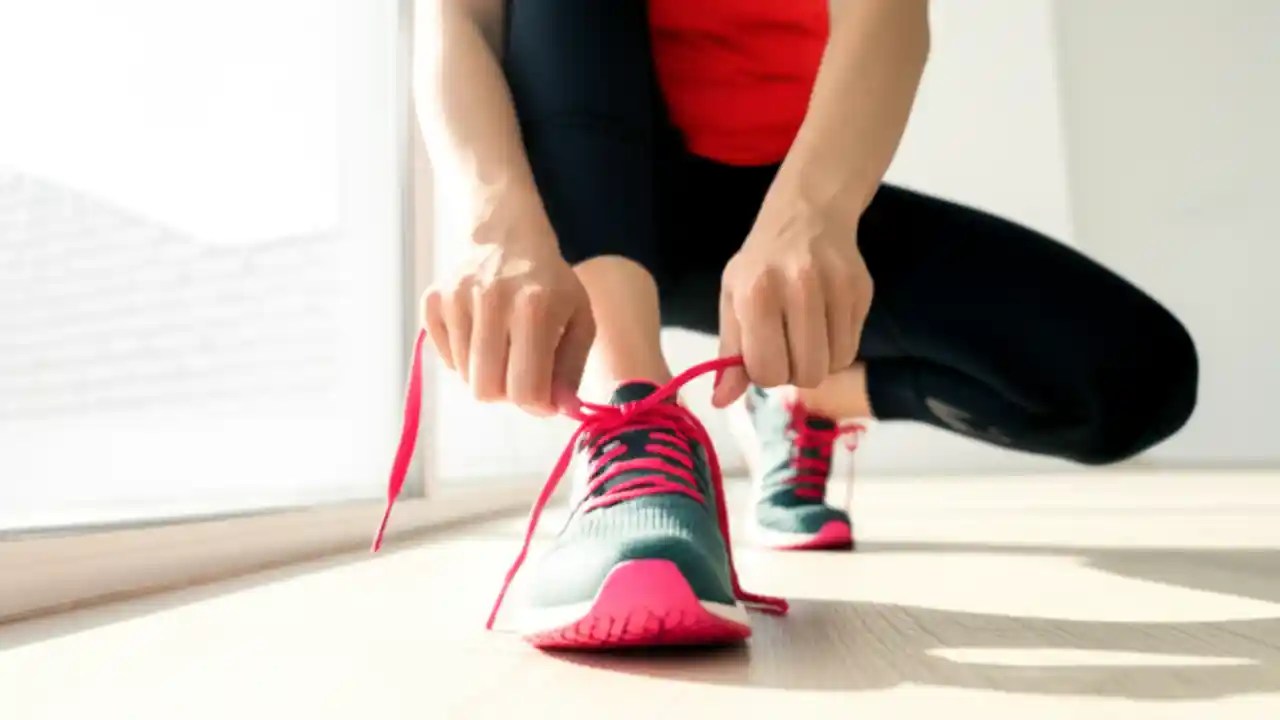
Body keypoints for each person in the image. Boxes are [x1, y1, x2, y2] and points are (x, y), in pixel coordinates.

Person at [392, 0, 1198, 650]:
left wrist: (815, 214)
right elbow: (456, 16)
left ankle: (811, 399)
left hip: (781, 205)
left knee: (1135, 377)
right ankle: (633, 427)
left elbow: (886, 13)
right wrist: (490, 221)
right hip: (602, 187)